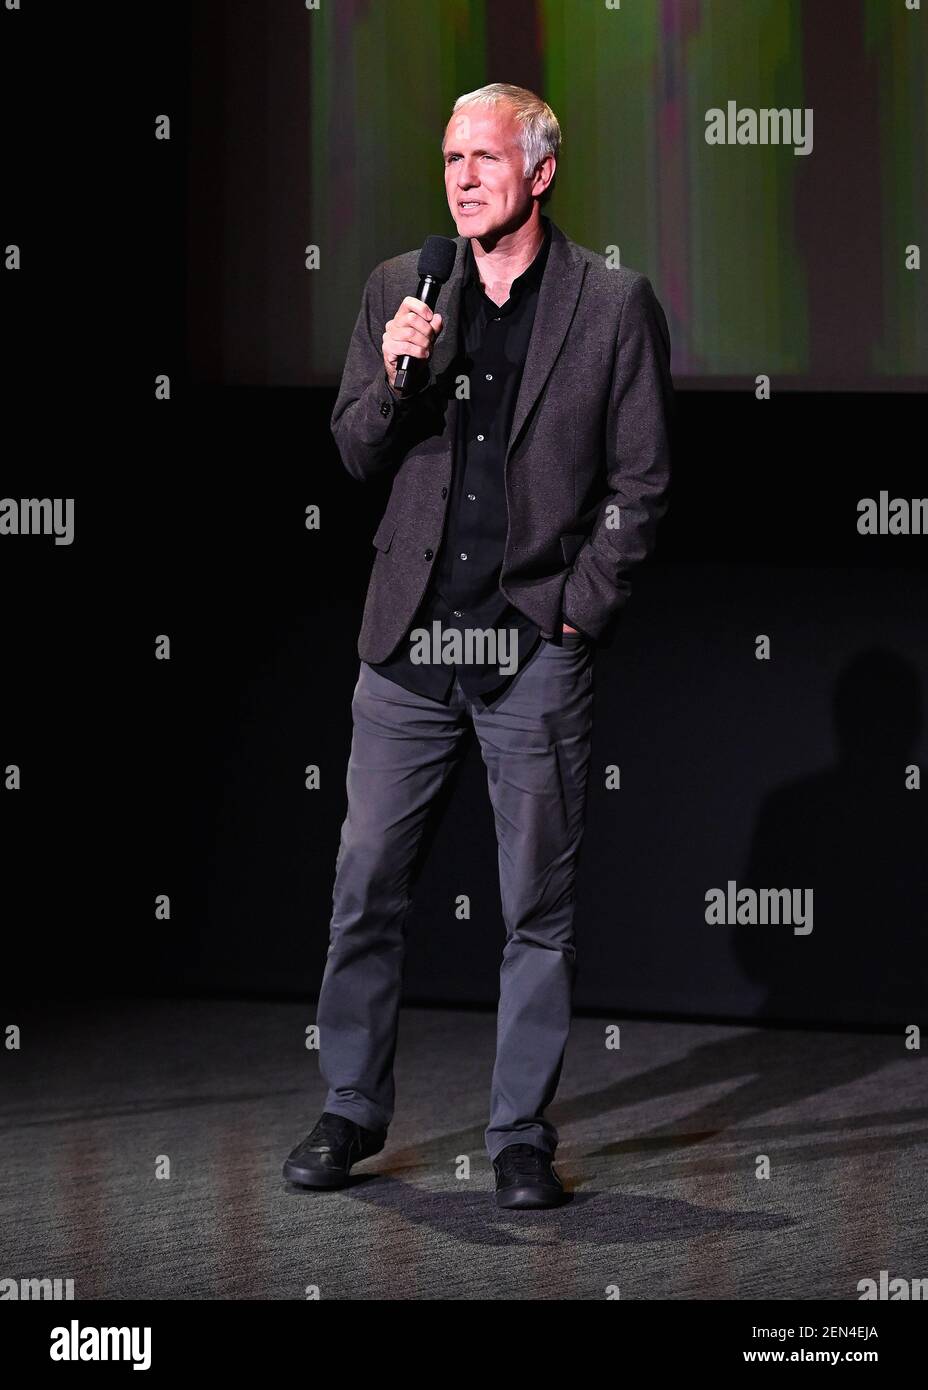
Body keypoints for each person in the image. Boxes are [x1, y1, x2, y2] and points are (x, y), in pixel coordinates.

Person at [283, 82, 674, 1208]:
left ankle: (518, 1135)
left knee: (534, 908)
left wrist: (572, 611)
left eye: (485, 158)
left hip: (529, 650)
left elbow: (641, 485)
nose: (461, 177)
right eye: (450, 157)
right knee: (363, 886)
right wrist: (403, 374)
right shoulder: (402, 290)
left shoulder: (609, 305)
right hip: (404, 646)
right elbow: (355, 450)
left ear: (541, 172)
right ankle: (350, 1108)